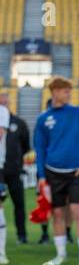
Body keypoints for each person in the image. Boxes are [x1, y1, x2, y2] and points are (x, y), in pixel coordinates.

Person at [33, 76, 79, 265]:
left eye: (69, 90)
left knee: (78, 211)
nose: (68, 93)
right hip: (52, 172)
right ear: (54, 92)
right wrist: (42, 177)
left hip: (77, 172)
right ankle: (61, 254)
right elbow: (40, 149)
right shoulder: (43, 118)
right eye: (65, 90)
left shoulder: (78, 112)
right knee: (57, 214)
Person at [0, 92, 31, 243]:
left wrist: (16, 159)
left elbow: (26, 145)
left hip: (14, 170)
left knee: (19, 203)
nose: (4, 105)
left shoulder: (19, 123)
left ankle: (22, 235)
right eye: (1, 102)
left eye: (6, 102)